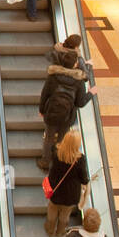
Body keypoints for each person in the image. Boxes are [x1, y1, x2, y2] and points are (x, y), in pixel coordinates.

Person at [38, 34, 95, 169]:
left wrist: (42, 110)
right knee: (62, 139)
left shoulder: (53, 76)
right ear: (75, 65)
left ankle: (45, 161)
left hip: (51, 113)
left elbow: (45, 94)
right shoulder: (78, 82)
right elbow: (80, 102)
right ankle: (58, 162)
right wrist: (91, 93)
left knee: (49, 137)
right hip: (68, 116)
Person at [44, 129, 90, 236]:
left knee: (52, 211)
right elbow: (84, 179)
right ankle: (60, 232)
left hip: (55, 189)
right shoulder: (80, 160)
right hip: (71, 194)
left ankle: (50, 230)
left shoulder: (56, 152)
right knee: (64, 215)